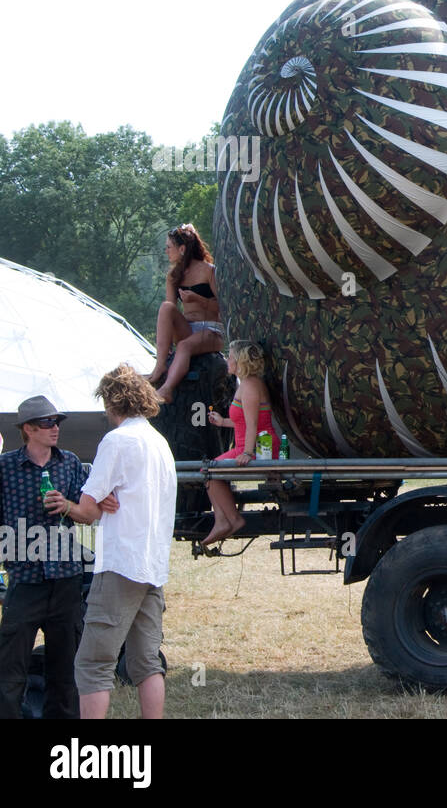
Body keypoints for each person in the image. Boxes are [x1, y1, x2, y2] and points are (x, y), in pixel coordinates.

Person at [43, 365, 175, 720]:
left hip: (120, 563)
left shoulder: (116, 441)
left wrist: (67, 503)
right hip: (152, 565)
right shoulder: (159, 443)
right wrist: (101, 502)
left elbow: (86, 512)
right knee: (146, 662)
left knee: (92, 663)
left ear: (112, 400)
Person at [0, 395, 116, 719]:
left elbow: (88, 514)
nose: (55, 428)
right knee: (10, 670)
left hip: (65, 577)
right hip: (24, 578)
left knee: (65, 672)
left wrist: (69, 504)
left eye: (57, 422)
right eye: (47, 422)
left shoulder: (70, 463)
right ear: (28, 429)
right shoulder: (6, 467)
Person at [203, 341, 278, 547]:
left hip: (258, 448)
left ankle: (232, 519)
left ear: (240, 360)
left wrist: (247, 452)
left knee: (209, 471)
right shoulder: (245, 384)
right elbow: (243, 421)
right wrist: (221, 421)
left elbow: (253, 423)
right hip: (247, 445)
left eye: (230, 357)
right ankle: (222, 520)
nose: (227, 360)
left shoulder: (251, 385)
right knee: (209, 471)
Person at [149, 224, 224, 404]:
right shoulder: (174, 275)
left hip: (211, 330)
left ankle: (167, 389)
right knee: (166, 307)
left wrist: (198, 299)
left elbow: (224, 309)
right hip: (187, 329)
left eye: (168, 247)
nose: (166, 251)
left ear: (182, 249)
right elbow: (170, 310)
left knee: (184, 346)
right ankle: (160, 366)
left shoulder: (209, 270)